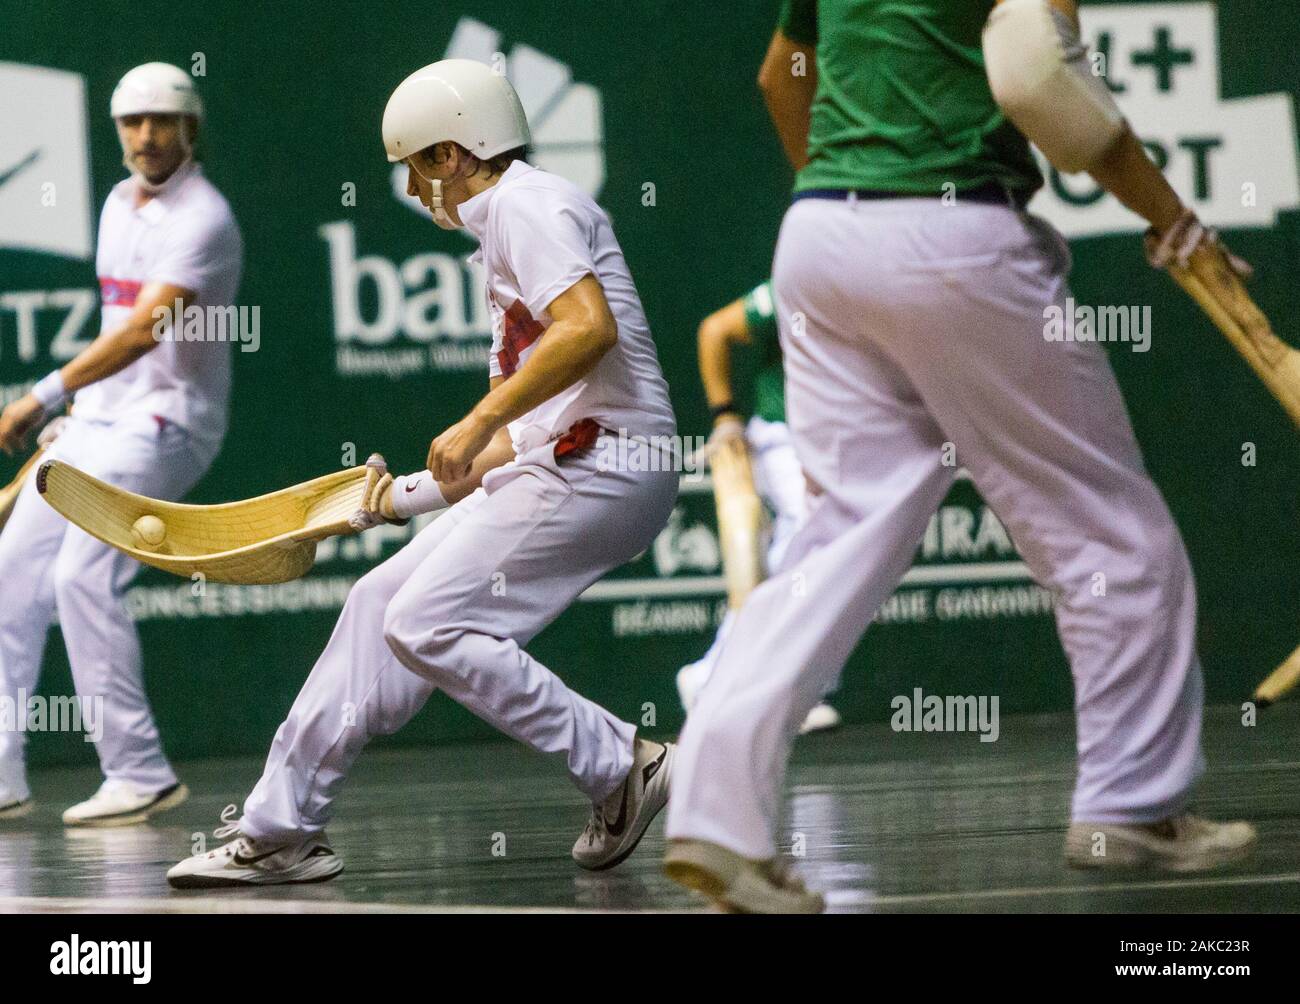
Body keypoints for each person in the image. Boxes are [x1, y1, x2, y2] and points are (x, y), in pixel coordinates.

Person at [663, 0, 1255, 913]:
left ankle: (716, 818)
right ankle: (1130, 806)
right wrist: (1172, 216)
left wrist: (852, 199)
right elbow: (1037, 77)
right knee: (1110, 536)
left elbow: (779, 72)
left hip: (820, 236)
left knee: (829, 543)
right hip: (955, 240)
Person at [166, 59, 680, 887]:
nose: (410, 189)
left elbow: (591, 330)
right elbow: (513, 439)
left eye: (413, 166)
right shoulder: (502, 237)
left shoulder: (529, 206)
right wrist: (395, 498)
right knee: (379, 604)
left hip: (610, 462)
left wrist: (481, 417)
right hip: (569, 457)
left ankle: (622, 762)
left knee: (426, 622)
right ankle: (280, 832)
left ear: (449, 155)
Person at [0, 62, 242, 825]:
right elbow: (114, 327)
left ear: (189, 128)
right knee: (10, 573)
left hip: (171, 426)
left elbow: (146, 331)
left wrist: (41, 397)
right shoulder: (115, 204)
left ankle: (138, 771)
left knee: (81, 574)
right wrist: (64, 433)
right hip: (104, 425)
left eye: (161, 121)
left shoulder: (204, 218)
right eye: (132, 123)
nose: (146, 136)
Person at [677, 281, 840, 734]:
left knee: (805, 558)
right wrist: (725, 415)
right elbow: (715, 330)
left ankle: (715, 678)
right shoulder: (791, 290)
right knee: (813, 532)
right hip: (782, 438)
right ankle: (779, 687)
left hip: (835, 442)